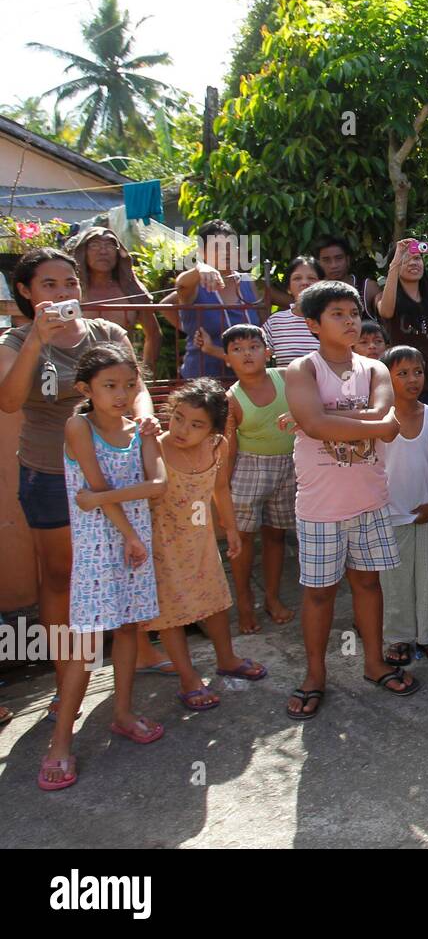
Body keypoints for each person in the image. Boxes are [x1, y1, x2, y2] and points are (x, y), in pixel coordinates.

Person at [2, 248, 169, 698]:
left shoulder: (106, 332)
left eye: (70, 283)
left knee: (128, 562)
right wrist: (36, 339)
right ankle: (67, 677)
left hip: (116, 469)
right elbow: (9, 401)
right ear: (26, 291)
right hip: (50, 474)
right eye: (49, 285)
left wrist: (145, 418)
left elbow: (137, 387)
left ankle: (140, 650)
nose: (63, 293)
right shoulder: (16, 341)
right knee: (61, 576)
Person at [42, 343, 168, 789]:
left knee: (130, 629)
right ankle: (60, 743)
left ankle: (123, 712)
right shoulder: (79, 426)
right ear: (86, 389)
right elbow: (94, 482)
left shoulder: (141, 431)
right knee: (87, 643)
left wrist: (102, 499)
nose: (121, 394)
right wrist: (128, 532)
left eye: (130, 385)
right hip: (101, 549)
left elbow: (158, 485)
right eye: (110, 385)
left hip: (134, 546)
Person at [282, 280, 409, 721]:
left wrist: (320, 417)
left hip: (369, 500)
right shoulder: (302, 370)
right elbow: (321, 427)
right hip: (321, 506)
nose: (350, 321)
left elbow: (385, 418)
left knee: (368, 585)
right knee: (318, 595)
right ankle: (315, 674)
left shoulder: (374, 369)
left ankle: (373, 663)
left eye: (353, 312)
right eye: (337, 314)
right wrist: (319, 421)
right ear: (313, 324)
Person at [141, 379, 267, 710]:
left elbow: (220, 488)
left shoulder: (217, 446)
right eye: (178, 418)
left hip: (200, 539)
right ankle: (188, 678)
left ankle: (227, 659)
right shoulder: (155, 447)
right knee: (170, 614)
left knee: (215, 600)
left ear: (212, 429)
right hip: (162, 545)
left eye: (196, 424)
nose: (183, 429)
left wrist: (231, 528)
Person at [377, 345, 428, 667]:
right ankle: (398, 637)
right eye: (403, 373)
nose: (412, 379)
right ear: (387, 378)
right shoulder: (378, 418)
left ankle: (427, 635)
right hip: (390, 514)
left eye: (418, 372)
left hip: (427, 513)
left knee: (427, 578)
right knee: (394, 581)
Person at [222, 324, 296, 633]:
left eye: (253, 346)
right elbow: (229, 447)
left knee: (276, 535)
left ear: (267, 352)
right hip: (249, 470)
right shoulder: (231, 398)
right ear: (228, 360)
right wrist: (222, 488)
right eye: (237, 349)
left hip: (289, 466)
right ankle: (244, 600)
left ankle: (272, 597)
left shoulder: (286, 377)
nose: (246, 354)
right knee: (242, 540)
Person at [175, 219, 264, 379]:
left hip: (245, 380)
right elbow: (181, 284)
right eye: (217, 247)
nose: (225, 252)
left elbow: (263, 328)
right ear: (202, 253)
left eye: (230, 245)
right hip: (202, 381)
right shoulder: (195, 285)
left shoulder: (247, 282)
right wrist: (200, 268)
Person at [374, 239, 428, 402]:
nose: (413, 263)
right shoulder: (384, 298)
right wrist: (395, 262)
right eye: (406, 259)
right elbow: (386, 311)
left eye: (417, 258)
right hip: (398, 384)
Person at [69, 226, 162, 371]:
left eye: (110, 245)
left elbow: (153, 334)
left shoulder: (132, 291)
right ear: (83, 252)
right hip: (76, 371)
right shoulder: (71, 291)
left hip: (121, 371)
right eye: (95, 245)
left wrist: (144, 372)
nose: (103, 251)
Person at [263, 256, 323, 365]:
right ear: (288, 288)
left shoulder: (331, 319)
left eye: (311, 278)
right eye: (297, 278)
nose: (305, 282)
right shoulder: (276, 321)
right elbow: (260, 353)